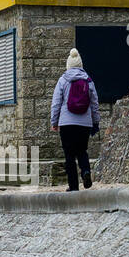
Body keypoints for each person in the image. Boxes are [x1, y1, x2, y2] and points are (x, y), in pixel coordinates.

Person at [50, 47, 101, 192]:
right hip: (84, 123)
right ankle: (85, 171)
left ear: (68, 65)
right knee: (82, 151)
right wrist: (95, 121)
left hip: (66, 123)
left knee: (69, 155)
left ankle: (73, 186)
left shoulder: (63, 80)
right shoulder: (88, 80)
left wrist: (54, 122)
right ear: (80, 65)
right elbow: (94, 104)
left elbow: (56, 103)